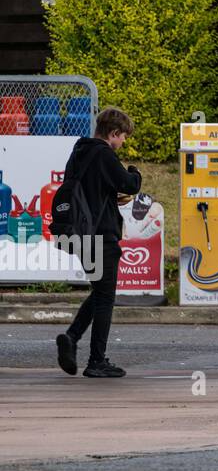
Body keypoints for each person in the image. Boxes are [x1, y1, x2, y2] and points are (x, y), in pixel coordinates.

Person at [55, 107, 142, 378]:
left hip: (80, 233)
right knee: (106, 297)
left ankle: (71, 338)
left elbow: (90, 190)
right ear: (113, 133)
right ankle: (96, 361)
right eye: (123, 137)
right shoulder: (104, 153)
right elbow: (129, 184)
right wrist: (134, 171)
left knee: (99, 291)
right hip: (101, 235)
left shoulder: (79, 152)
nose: (123, 142)